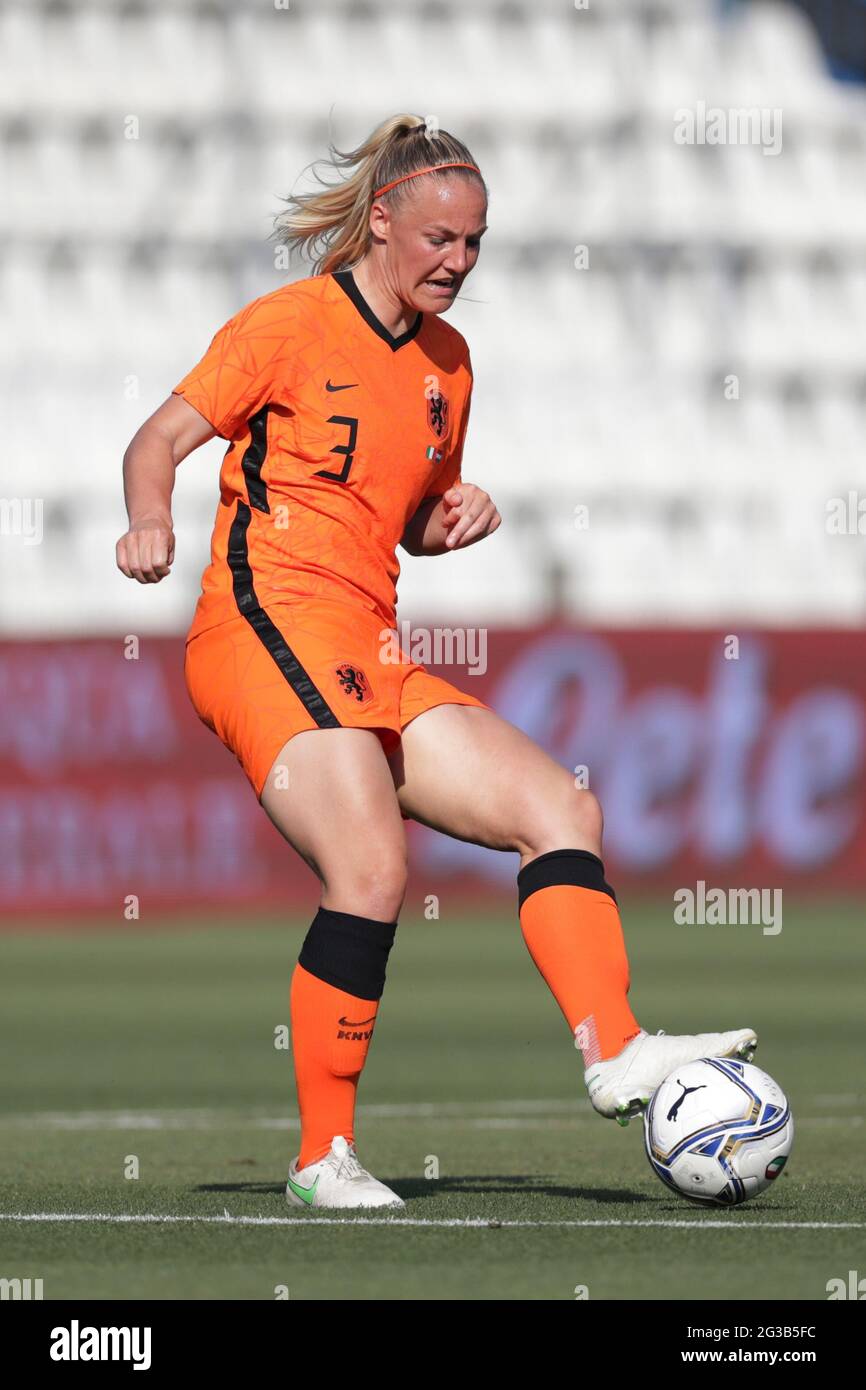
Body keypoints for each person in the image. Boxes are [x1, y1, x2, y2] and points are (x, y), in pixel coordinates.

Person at [116, 113, 757, 1211]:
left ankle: (613, 1051)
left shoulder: (449, 367)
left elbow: (397, 511)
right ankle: (324, 1157)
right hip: (261, 624)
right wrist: (148, 524)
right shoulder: (285, 326)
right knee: (368, 868)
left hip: (366, 642)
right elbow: (157, 441)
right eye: (439, 240)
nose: (456, 263)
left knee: (561, 809)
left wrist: (439, 522)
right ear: (382, 222)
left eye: (474, 244)